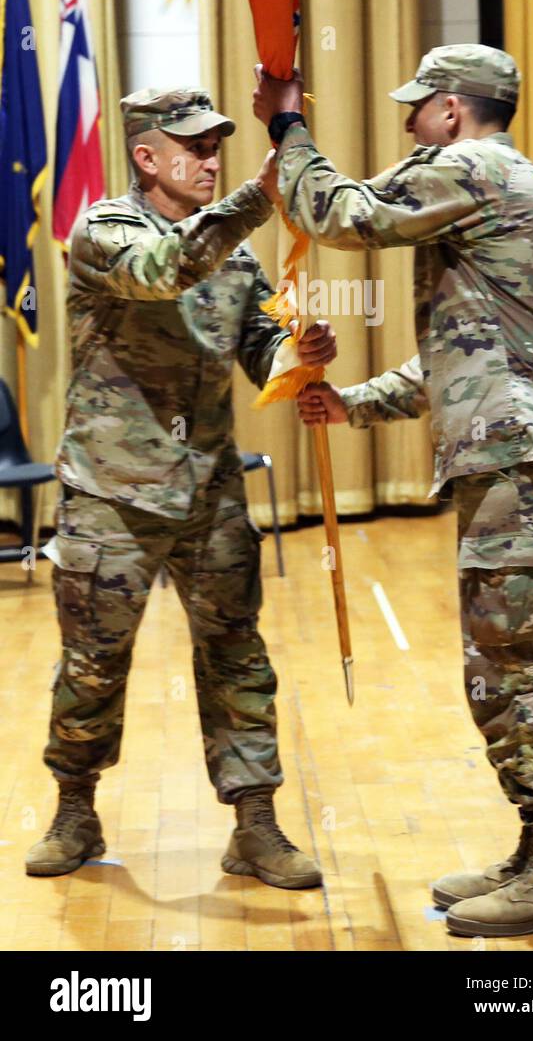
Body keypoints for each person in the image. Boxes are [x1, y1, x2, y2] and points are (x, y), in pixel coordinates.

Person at [253, 45, 533, 937]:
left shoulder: (472, 168)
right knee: (519, 656)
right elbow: (468, 351)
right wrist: (353, 406)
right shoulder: (505, 183)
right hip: (529, 441)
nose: (407, 122)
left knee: (515, 665)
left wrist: (286, 123)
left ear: (452, 110)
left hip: (520, 452)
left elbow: (341, 214)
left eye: (417, 108)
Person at [27, 87, 336, 890]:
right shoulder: (104, 231)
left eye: (216, 146)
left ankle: (255, 824)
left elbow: (259, 345)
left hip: (208, 489)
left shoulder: (233, 254)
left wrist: (297, 353)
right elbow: (164, 272)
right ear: (145, 156)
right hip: (112, 490)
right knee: (93, 663)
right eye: (194, 147)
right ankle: (74, 808)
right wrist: (258, 196)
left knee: (237, 654)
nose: (209, 159)